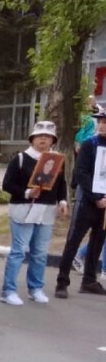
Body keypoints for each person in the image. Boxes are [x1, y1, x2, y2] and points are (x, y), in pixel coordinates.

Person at [0, 121, 68, 305]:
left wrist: (62, 200)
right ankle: (8, 290)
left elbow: (61, 184)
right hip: (23, 209)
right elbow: (7, 184)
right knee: (19, 251)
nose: (43, 139)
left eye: (47, 136)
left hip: (46, 210)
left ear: (53, 140)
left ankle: (36, 288)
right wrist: (26, 192)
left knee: (39, 252)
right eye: (40, 136)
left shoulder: (56, 160)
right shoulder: (21, 158)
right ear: (33, 139)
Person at [54, 106, 106, 297]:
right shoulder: (89, 144)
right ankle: (62, 282)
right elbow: (81, 174)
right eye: (100, 121)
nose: (101, 125)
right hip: (87, 201)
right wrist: (96, 197)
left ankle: (90, 280)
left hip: (105, 204)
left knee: (98, 241)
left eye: (105, 122)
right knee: (74, 240)